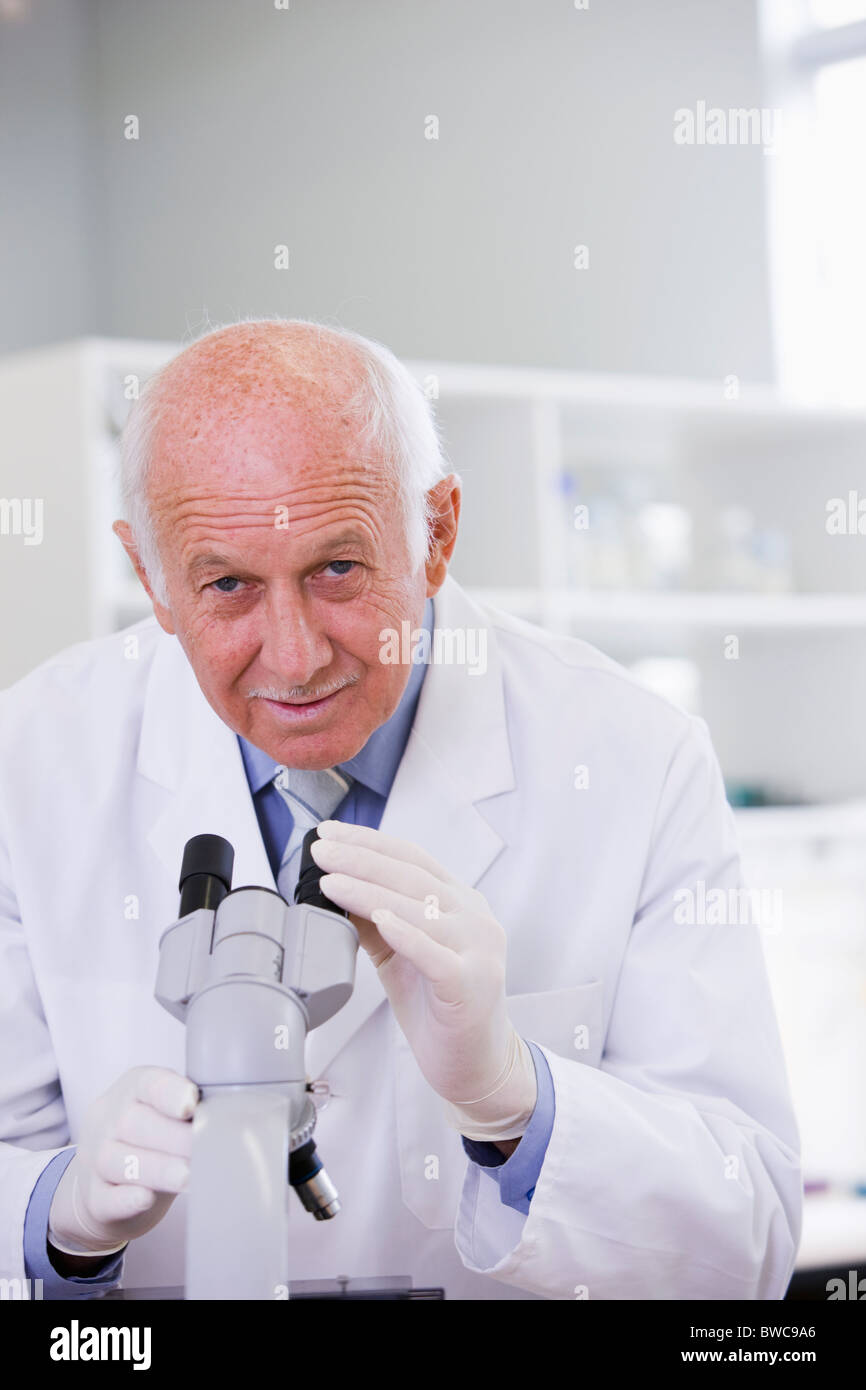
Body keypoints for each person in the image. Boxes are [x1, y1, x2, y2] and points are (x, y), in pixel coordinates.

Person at [0, 318, 801, 1300]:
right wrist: (58, 1223)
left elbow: (748, 1240)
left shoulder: (633, 755)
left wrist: (514, 1099)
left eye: (337, 568)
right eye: (227, 585)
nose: (293, 656)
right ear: (150, 578)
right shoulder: (31, 761)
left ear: (436, 532)